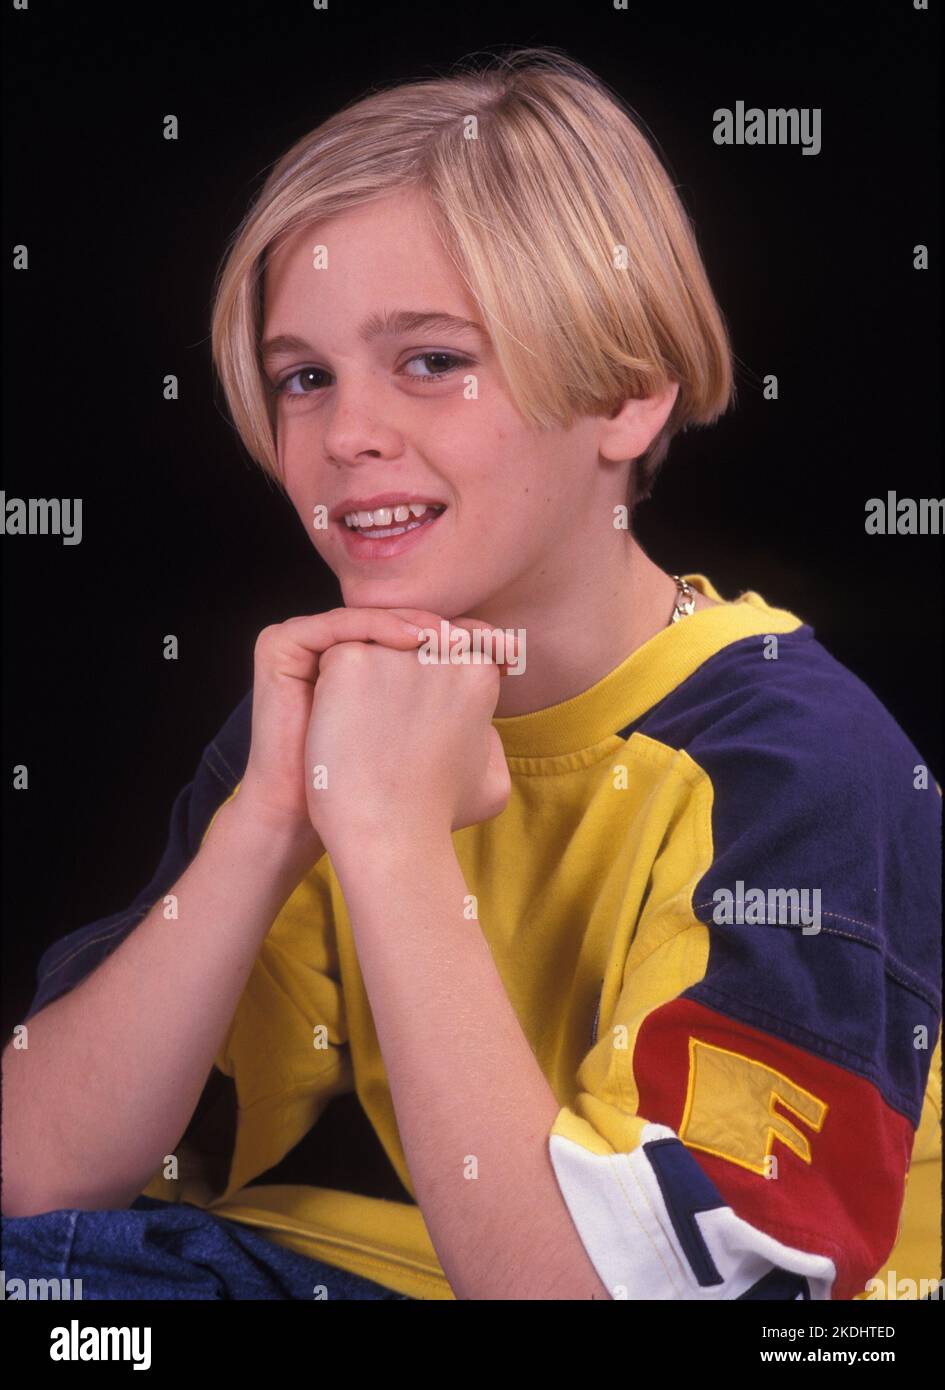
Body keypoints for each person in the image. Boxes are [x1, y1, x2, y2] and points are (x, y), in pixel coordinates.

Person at [2, 46, 940, 1302]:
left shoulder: (800, 765)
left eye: (433, 361)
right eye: (304, 377)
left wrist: (389, 835)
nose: (346, 435)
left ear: (626, 391)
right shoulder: (328, 712)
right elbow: (38, 1171)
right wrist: (271, 817)